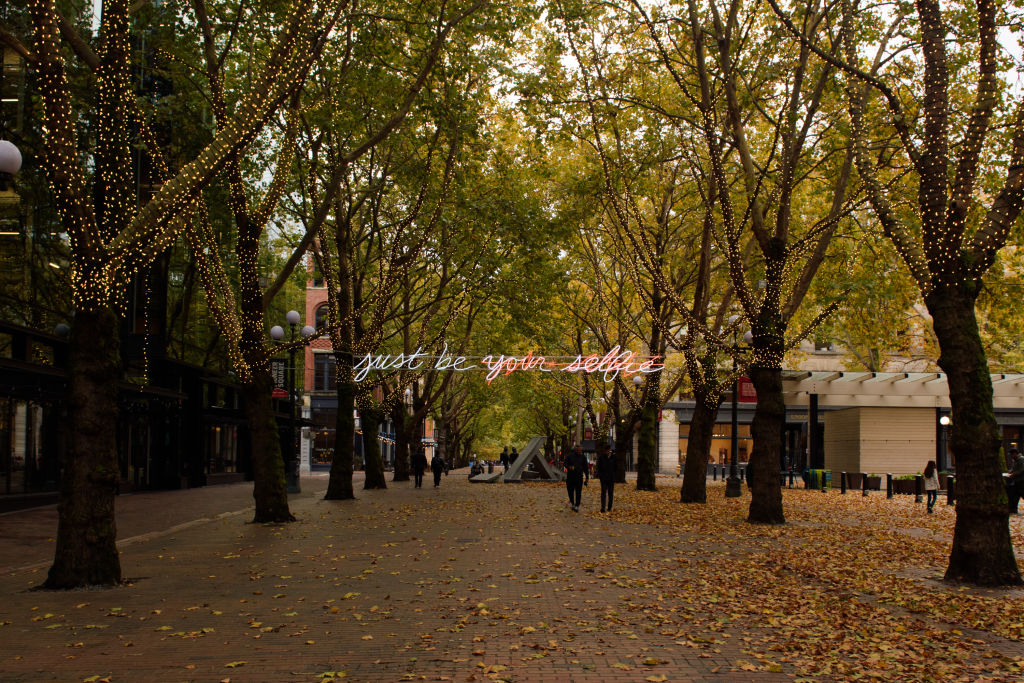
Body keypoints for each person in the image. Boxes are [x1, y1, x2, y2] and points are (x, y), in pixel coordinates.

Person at [564, 445, 589, 512]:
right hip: (570, 477)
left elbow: (586, 468)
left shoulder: (583, 457)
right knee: (570, 491)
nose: (579, 451)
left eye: (580, 450)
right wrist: (569, 467)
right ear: (575, 450)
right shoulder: (570, 456)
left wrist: (587, 477)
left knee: (578, 492)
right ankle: (572, 503)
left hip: (579, 477)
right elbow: (565, 463)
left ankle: (577, 505)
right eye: (578, 450)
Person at [596, 447, 616, 513]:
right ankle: (603, 507)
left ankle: (609, 507)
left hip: (611, 478)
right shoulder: (601, 458)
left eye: (608, 450)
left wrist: (614, 476)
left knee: (610, 493)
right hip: (604, 478)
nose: (607, 452)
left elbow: (616, 467)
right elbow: (598, 467)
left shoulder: (613, 457)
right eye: (606, 451)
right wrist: (600, 476)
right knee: (603, 493)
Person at [1008, 449, 1024, 513]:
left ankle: (1013, 509)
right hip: (1017, 481)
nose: (1011, 456)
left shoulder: (1021, 459)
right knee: (1014, 495)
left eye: (1011, 454)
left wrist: (1013, 474)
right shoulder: (1016, 460)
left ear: (1015, 453)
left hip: (1022, 481)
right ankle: (1013, 509)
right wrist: (1011, 471)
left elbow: (1022, 469)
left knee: (1020, 493)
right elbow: (1015, 468)